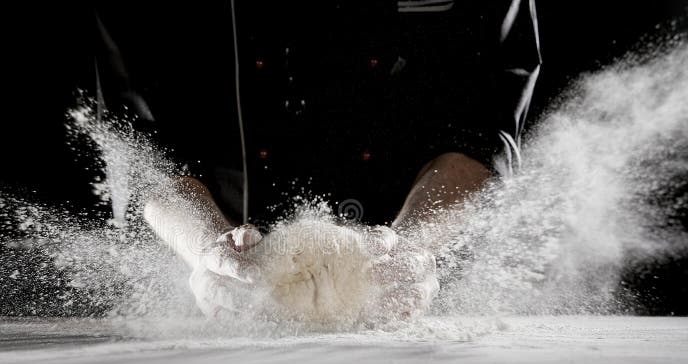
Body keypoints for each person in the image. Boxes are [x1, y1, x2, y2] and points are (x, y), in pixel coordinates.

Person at [92, 1, 541, 316]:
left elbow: (483, 132)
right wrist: (209, 250)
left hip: (419, 290)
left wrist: (412, 247)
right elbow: (144, 152)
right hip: (218, 292)